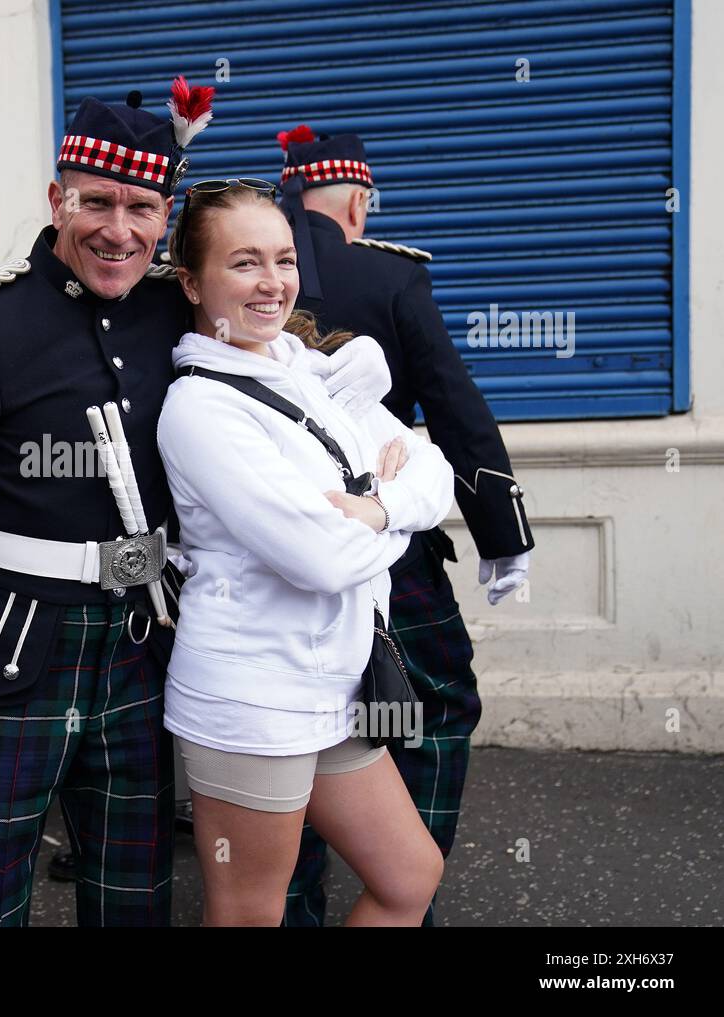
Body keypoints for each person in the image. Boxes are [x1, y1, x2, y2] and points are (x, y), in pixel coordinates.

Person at [0, 78, 391, 925]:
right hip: (6, 650)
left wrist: (329, 359)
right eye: (96, 202)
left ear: (166, 216)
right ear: (56, 200)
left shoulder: (162, 307)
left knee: (133, 898)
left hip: (142, 644)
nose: (119, 228)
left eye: (142, 207)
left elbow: (258, 322)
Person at [156, 177, 454, 926]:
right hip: (253, 696)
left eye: (284, 259)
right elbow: (317, 557)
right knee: (250, 911)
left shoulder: (306, 370)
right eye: (245, 262)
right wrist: (389, 520)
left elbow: (432, 466)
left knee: (409, 875)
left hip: (336, 685)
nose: (272, 282)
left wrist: (376, 507)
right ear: (192, 281)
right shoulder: (201, 407)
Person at [275, 126, 534, 926]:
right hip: (389, 545)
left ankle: (295, 905)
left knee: (292, 730)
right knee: (436, 705)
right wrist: (503, 533)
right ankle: (402, 893)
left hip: (264, 545)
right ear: (358, 202)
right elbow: (454, 408)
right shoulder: (389, 275)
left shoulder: (218, 267)